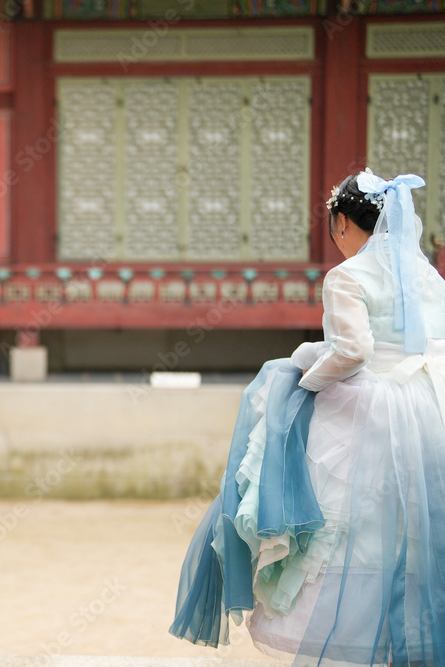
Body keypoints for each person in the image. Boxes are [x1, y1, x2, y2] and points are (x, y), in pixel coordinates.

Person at [170, 170, 445, 665]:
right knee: (412, 526)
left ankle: (356, 638)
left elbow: (354, 350)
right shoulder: (426, 275)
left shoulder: (348, 275)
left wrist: (307, 379)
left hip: (371, 410)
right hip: (428, 406)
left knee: (348, 532)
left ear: (341, 222)